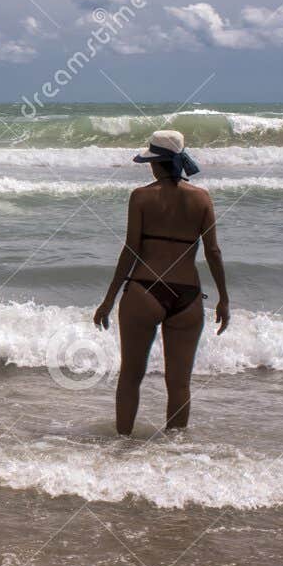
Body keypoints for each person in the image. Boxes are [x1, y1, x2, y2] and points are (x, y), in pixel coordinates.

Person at [93, 131, 230, 435]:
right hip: (188, 296)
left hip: (144, 289)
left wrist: (109, 299)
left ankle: (123, 445)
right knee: (179, 383)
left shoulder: (141, 196)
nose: (149, 167)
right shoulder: (202, 198)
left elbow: (130, 251)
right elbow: (213, 252)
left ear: (158, 163)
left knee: (130, 375)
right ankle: (174, 454)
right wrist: (224, 298)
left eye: (151, 161)